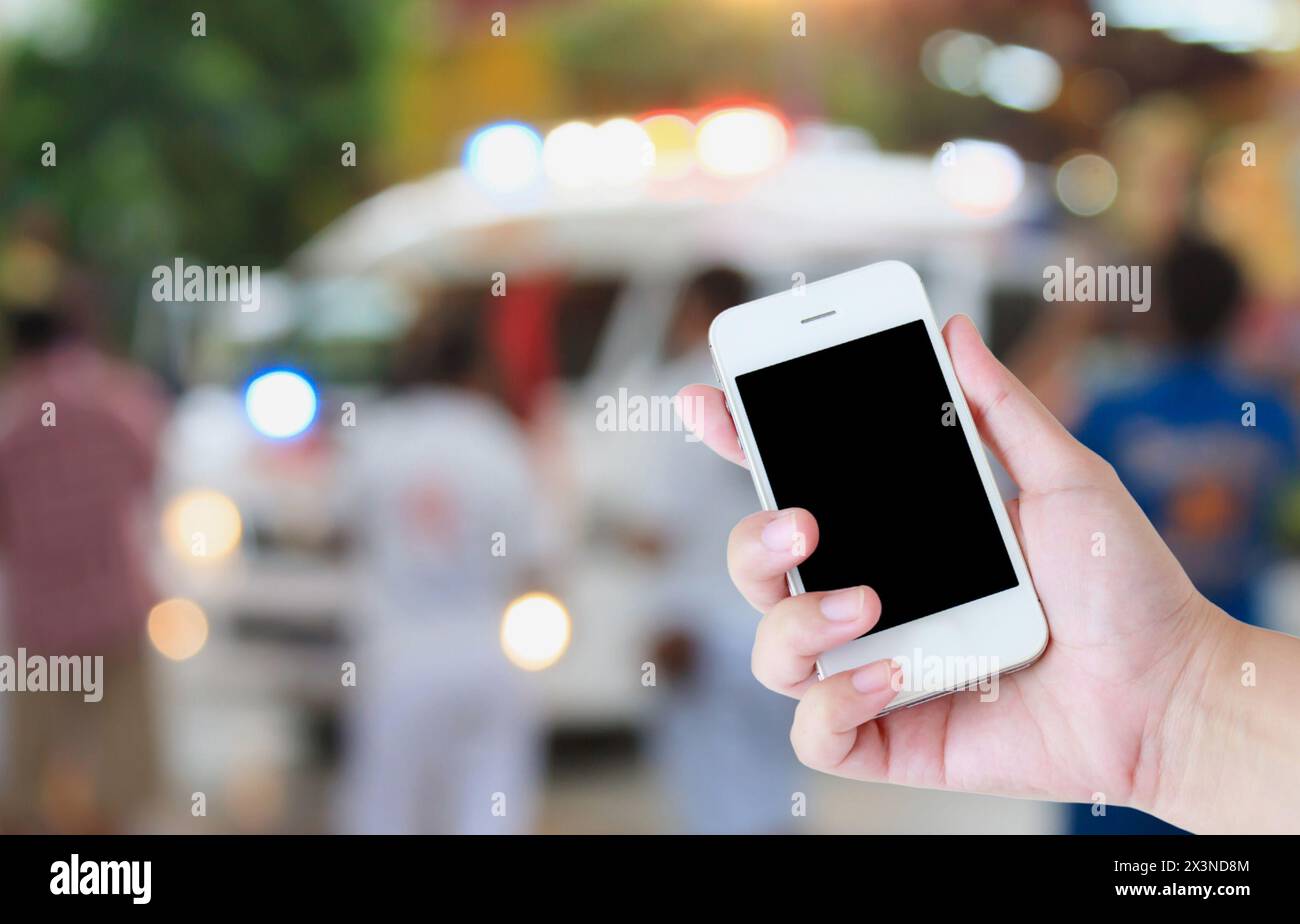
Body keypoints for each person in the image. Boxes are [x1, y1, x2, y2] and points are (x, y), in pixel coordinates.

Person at [676, 314, 1300, 833]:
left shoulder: (1118, 407)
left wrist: (1175, 709)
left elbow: (1025, 465)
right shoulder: (1266, 410)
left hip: (1143, 753)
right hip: (1222, 678)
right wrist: (1174, 705)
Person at [336, 300, 545, 834]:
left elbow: (337, 530)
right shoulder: (501, 441)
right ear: (477, 364)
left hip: (398, 656)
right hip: (484, 653)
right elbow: (538, 564)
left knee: (389, 813)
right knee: (489, 812)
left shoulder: (379, 438)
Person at [0, 264, 167, 833]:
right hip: (115, 610)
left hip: (40, 625)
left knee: (26, 784)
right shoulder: (120, 398)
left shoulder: (11, 416)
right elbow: (149, 474)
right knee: (117, 788)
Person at [638, 268, 803, 833]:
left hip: (702, 628)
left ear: (693, 310)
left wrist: (600, 529)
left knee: (714, 796)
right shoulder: (779, 382)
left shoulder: (681, 396)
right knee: (775, 783)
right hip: (776, 624)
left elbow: (660, 530)